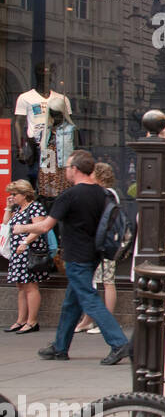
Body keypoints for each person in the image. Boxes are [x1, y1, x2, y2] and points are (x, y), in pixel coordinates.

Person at [19, 150, 131, 364]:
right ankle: (60, 346)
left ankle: (118, 343)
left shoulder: (70, 195)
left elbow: (45, 226)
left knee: (89, 300)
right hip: (93, 254)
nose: (66, 171)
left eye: (68, 167)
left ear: (75, 169)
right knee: (71, 302)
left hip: (76, 256)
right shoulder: (102, 194)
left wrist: (20, 227)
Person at [74, 163, 121, 335]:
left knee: (106, 281)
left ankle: (105, 320)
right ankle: (91, 319)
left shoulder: (106, 194)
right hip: (106, 242)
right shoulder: (110, 193)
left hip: (105, 243)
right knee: (100, 281)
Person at [4, 179, 49, 334]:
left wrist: (25, 242)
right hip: (18, 252)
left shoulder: (35, 207)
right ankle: (21, 320)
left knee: (30, 285)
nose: (12, 197)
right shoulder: (18, 209)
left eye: (14, 194)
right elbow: (6, 226)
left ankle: (32, 321)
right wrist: (8, 208)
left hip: (29, 252)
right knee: (21, 286)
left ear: (24, 194)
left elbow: (39, 228)